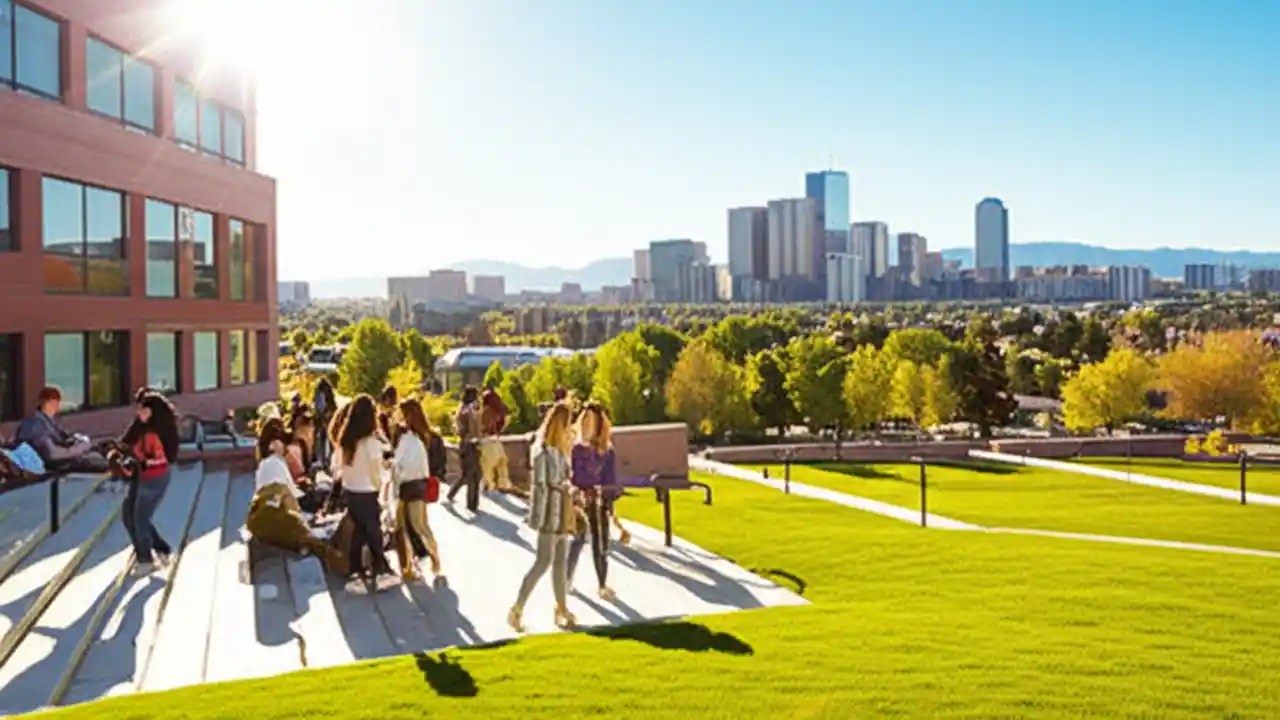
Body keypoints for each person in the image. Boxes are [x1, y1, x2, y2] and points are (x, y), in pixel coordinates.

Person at [508, 403, 577, 632]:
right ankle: (517, 608)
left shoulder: (558, 451)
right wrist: (538, 516)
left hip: (561, 512)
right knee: (543, 562)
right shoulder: (544, 452)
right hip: (549, 514)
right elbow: (541, 486)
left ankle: (561, 607)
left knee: (559, 563)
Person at [246, 418, 339, 563]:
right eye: (283, 442)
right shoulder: (273, 463)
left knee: (323, 488)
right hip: (288, 506)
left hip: (285, 502)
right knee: (325, 491)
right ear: (273, 444)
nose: (285, 446)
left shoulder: (267, 463)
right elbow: (290, 494)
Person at [338, 395, 397, 591]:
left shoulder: (347, 440)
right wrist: (380, 483)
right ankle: (380, 569)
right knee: (373, 530)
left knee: (359, 532)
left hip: (351, 489)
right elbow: (374, 470)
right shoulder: (370, 442)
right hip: (366, 491)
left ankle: (356, 571)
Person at [119, 392, 180, 576]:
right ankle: (161, 549)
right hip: (141, 477)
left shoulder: (157, 432)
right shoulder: (141, 426)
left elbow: (162, 459)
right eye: (139, 409)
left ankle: (145, 559)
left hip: (154, 478)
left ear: (153, 411)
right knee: (129, 514)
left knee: (139, 518)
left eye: (144, 410)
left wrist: (141, 462)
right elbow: (127, 443)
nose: (139, 414)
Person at [566, 402, 621, 600]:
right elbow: (577, 477)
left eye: (592, 420)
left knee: (601, 542)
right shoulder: (578, 449)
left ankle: (602, 584)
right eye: (585, 419)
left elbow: (610, 479)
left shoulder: (607, 451)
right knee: (578, 540)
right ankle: (566, 580)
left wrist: (610, 497)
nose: (587, 423)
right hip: (582, 500)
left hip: (600, 502)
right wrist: (588, 489)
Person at [391, 399, 443, 580]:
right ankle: (436, 558)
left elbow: (398, 465)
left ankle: (408, 568)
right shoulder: (422, 438)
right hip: (420, 485)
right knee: (422, 526)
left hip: (407, 487)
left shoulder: (406, 439)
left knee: (404, 528)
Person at [15, 386, 107, 472]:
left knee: (97, 451)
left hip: (50, 461)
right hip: (50, 467)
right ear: (53, 403)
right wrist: (81, 447)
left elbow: (61, 437)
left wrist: (75, 440)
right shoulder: (36, 426)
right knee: (97, 460)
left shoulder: (41, 421)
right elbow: (52, 454)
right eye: (57, 403)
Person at [447, 386, 483, 511]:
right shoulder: (464, 410)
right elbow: (462, 428)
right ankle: (454, 495)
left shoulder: (471, 409)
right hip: (468, 445)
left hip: (473, 444)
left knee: (475, 475)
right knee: (468, 475)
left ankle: (473, 504)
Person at [479, 384, 511, 492]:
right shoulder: (500, 409)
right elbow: (507, 418)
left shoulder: (485, 411)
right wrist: (500, 430)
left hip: (486, 440)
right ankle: (502, 484)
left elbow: (481, 426)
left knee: (487, 466)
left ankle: (489, 486)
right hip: (495, 439)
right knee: (502, 462)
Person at [311, 377, 337, 467]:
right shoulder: (328, 395)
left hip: (323, 420)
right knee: (329, 441)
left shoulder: (318, 393)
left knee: (321, 440)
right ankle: (328, 460)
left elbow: (318, 408)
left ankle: (322, 459)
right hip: (328, 420)